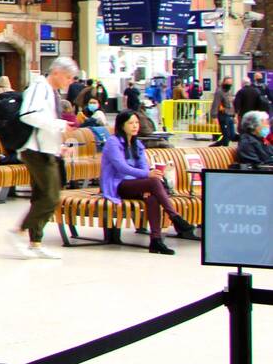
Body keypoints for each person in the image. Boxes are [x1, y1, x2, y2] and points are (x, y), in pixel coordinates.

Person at [99, 110, 195, 255]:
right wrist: (146, 175)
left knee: (153, 197)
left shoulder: (137, 143)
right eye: (130, 123)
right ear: (121, 125)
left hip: (136, 184)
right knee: (154, 182)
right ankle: (175, 217)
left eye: (136, 122)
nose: (135, 126)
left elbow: (143, 165)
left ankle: (156, 240)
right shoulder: (113, 142)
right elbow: (121, 167)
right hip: (117, 185)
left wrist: (145, 176)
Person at [14, 57, 78, 259]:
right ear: (56, 72)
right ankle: (20, 231)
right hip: (34, 150)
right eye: (68, 77)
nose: (70, 81)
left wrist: (60, 145)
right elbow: (28, 115)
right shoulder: (39, 88)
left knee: (42, 196)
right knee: (51, 197)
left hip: (47, 150)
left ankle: (35, 243)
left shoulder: (52, 93)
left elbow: (45, 123)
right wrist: (60, 125)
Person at [211, 78, 237, 147]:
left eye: (230, 83)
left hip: (230, 115)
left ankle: (218, 144)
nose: (229, 85)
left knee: (232, 135)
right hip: (224, 115)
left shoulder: (229, 92)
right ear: (224, 83)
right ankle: (224, 147)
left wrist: (234, 115)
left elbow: (231, 104)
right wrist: (214, 116)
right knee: (226, 135)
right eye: (227, 83)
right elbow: (215, 104)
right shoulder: (219, 92)